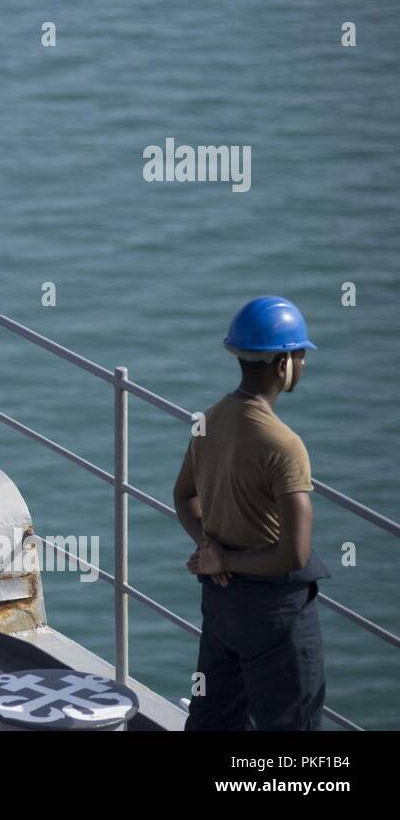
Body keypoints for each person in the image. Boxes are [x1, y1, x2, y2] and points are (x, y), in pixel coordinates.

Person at [174, 296, 329, 730]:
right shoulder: (284, 444)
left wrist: (211, 550)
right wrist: (225, 559)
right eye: (300, 354)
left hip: (222, 604)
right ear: (283, 365)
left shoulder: (209, 420)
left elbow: (183, 495)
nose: (302, 362)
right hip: (275, 611)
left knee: (214, 716)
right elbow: (294, 554)